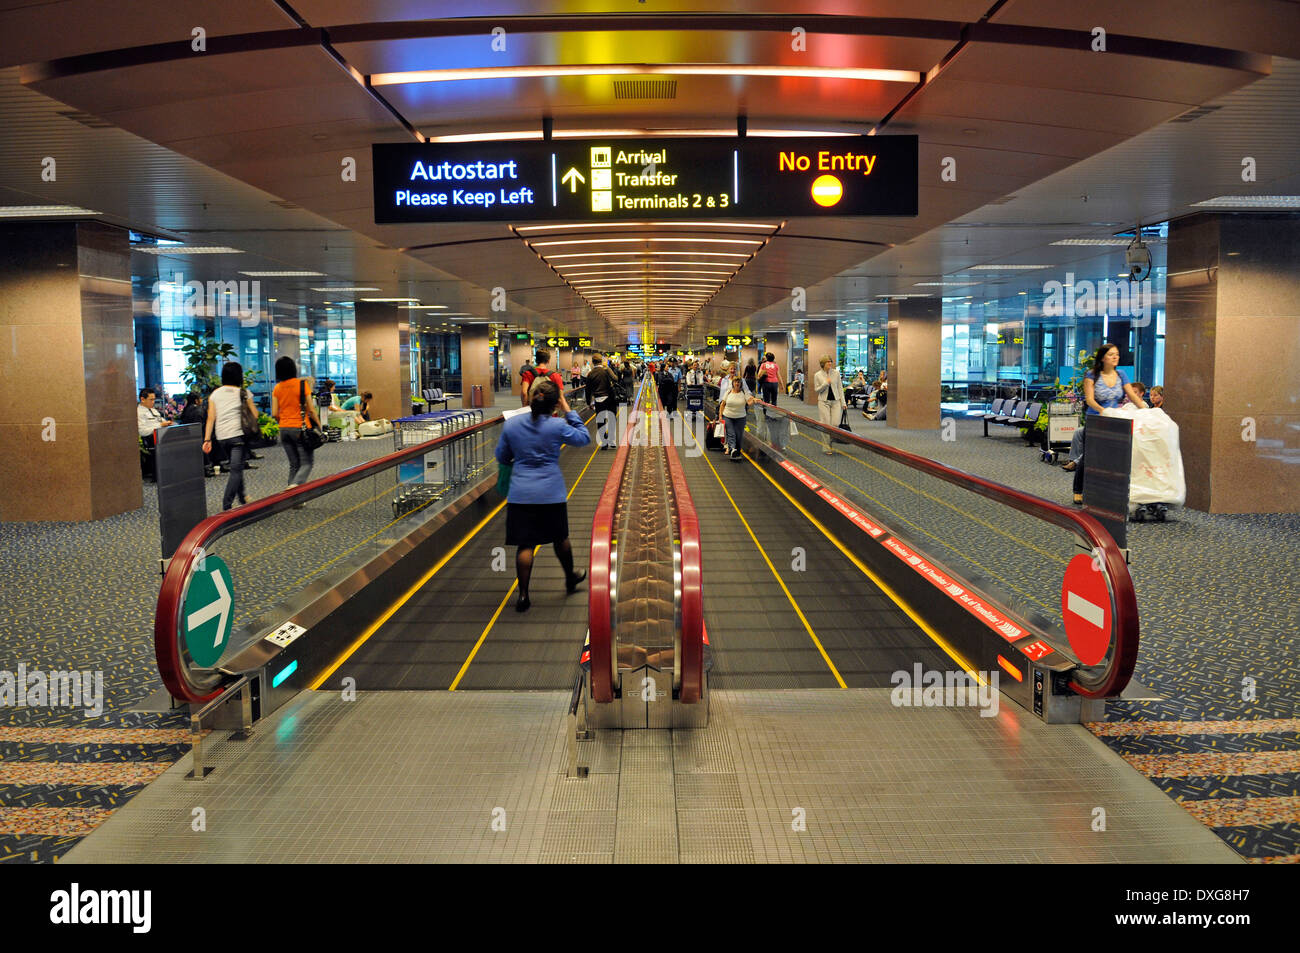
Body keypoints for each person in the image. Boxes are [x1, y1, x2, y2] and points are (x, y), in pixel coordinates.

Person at [495, 380, 591, 612]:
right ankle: (570, 577)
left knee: (525, 545)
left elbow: (502, 456)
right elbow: (584, 437)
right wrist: (568, 410)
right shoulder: (557, 426)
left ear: (530, 399)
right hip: (551, 493)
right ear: (555, 404)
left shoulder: (512, 425)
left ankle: (524, 596)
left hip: (520, 493)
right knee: (560, 538)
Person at [1072, 343, 1147, 504]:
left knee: (1113, 457)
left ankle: (1105, 490)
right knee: (1090, 456)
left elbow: (1132, 396)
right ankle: (1078, 490)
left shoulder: (1121, 374)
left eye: (1117, 354)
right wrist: (1102, 410)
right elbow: (1090, 399)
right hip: (1096, 419)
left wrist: (1145, 409)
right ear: (1103, 357)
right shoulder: (1091, 374)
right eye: (1111, 354)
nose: (1115, 357)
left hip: (1115, 419)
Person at [202, 362, 259, 510]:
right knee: (236, 470)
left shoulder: (215, 394)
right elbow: (255, 414)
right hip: (238, 436)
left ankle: (243, 497)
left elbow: (210, 418)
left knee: (236, 467)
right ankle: (226, 505)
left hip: (222, 437)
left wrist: (207, 439)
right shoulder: (244, 393)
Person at [271, 355, 321, 491]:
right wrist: (319, 424)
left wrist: (284, 422)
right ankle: (295, 486)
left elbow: (275, 413)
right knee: (307, 463)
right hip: (300, 428)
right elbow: (311, 409)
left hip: (284, 429)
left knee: (294, 464)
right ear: (293, 369)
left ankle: (294, 499)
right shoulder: (302, 385)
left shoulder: (277, 388)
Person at [814, 356, 846, 455]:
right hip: (824, 402)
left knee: (835, 424)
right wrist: (825, 384)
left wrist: (843, 403)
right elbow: (817, 390)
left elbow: (840, 388)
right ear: (823, 363)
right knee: (825, 424)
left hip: (836, 401)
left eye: (830, 362)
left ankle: (830, 439)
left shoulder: (836, 373)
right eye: (828, 362)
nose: (830, 364)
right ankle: (827, 447)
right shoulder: (817, 375)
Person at [719, 375, 756, 460]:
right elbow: (722, 404)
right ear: (733, 383)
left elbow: (749, 402)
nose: (737, 383)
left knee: (739, 436)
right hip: (728, 416)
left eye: (738, 382)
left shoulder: (744, 392)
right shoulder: (728, 392)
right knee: (731, 434)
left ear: (741, 384)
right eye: (735, 382)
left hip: (740, 417)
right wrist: (720, 416)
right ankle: (732, 450)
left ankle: (737, 451)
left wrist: (754, 400)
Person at [586, 355, 619, 448]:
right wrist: (608, 368)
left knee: (601, 421)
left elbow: (587, 390)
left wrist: (588, 402)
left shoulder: (590, 373)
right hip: (610, 397)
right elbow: (616, 379)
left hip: (598, 399)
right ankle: (612, 440)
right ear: (601, 361)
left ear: (593, 362)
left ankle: (604, 443)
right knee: (612, 418)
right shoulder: (606, 370)